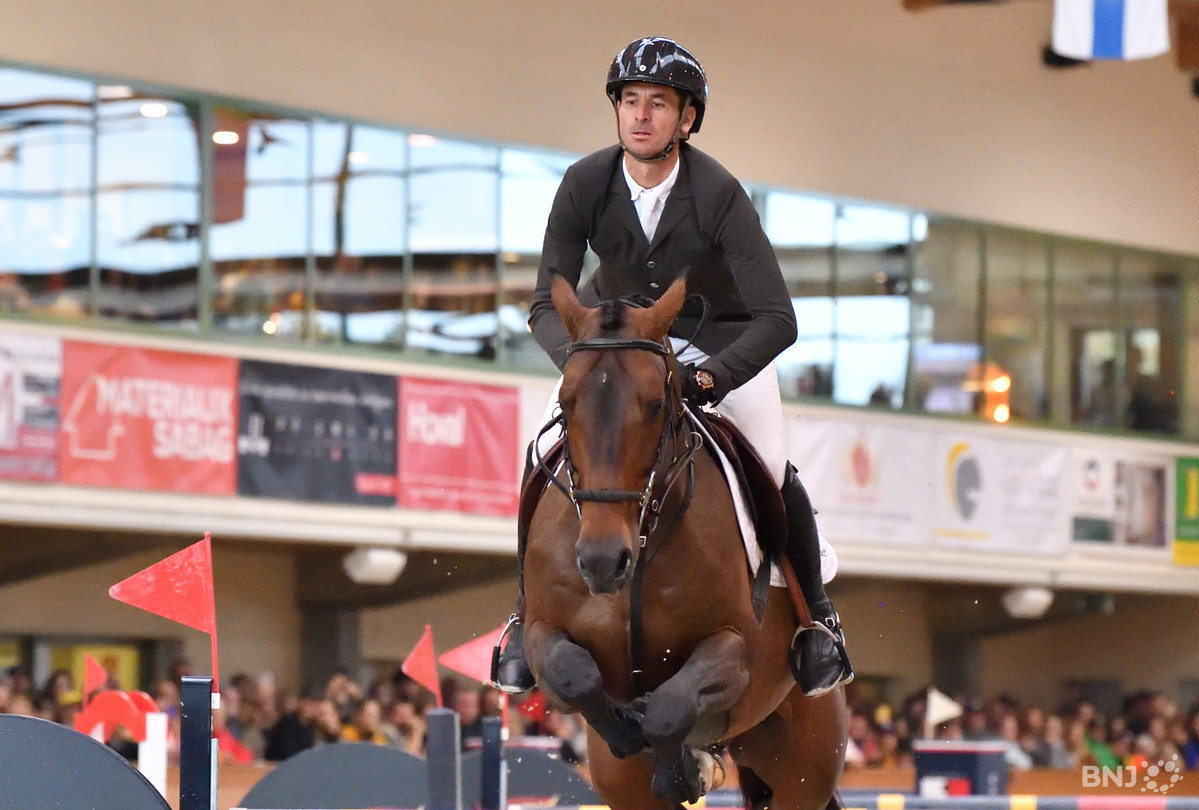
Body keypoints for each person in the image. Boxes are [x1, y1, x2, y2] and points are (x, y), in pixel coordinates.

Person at [492, 35, 852, 698]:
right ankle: (521, 619)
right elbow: (547, 299)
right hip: (615, 352)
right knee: (538, 452)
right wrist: (583, 362)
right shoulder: (584, 183)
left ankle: (817, 625)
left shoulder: (717, 193)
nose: (639, 115)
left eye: (657, 103)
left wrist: (709, 378)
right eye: (629, 100)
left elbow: (779, 318)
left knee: (770, 470)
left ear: (685, 119)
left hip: (719, 346)